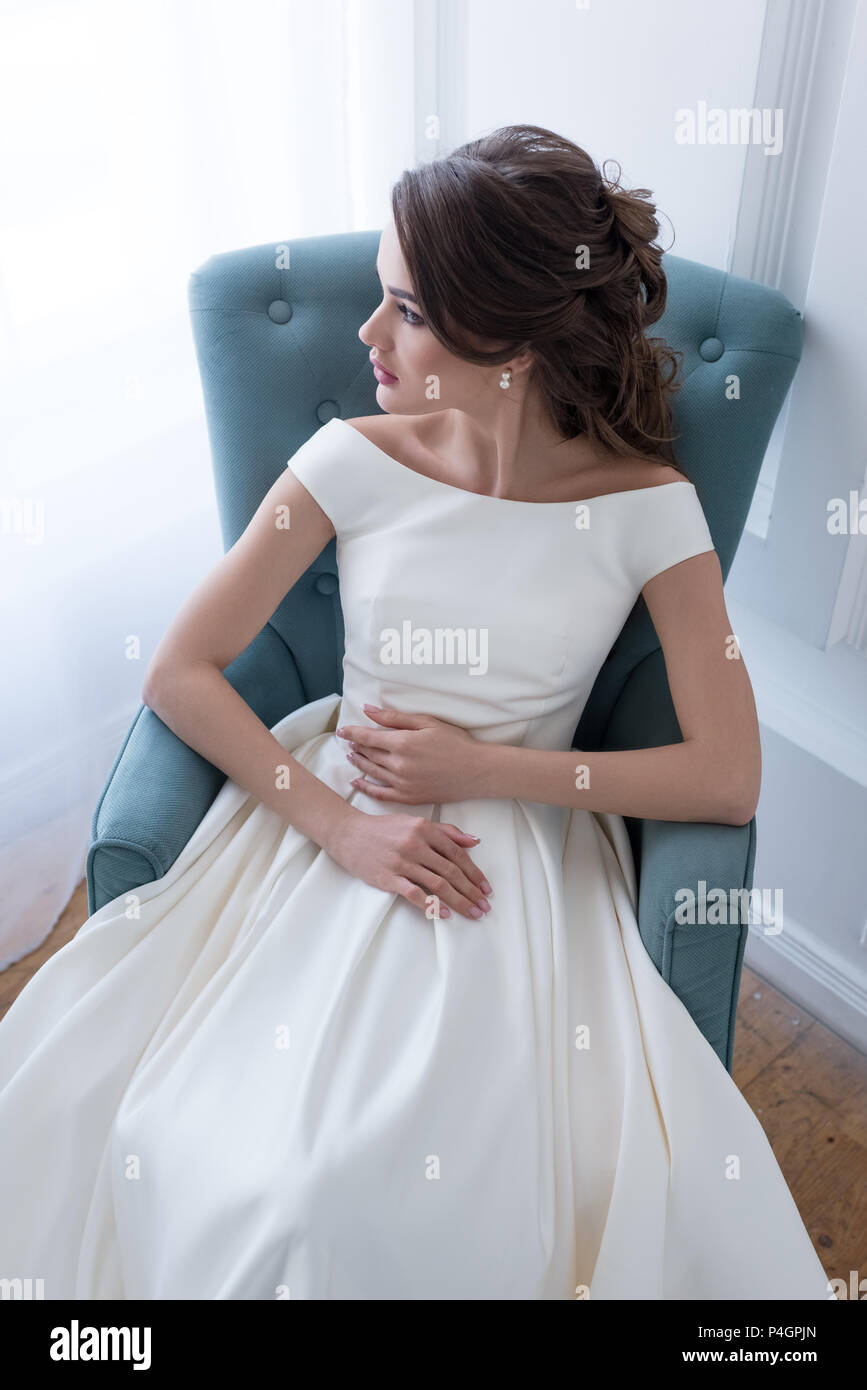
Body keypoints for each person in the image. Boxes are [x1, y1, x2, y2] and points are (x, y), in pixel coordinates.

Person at [0, 125, 831, 1300]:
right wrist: (338, 826)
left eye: (408, 311)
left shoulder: (649, 506)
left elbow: (727, 776)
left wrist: (489, 765)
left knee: (396, 1202)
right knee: (240, 1166)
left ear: (517, 340)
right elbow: (180, 670)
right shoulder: (349, 460)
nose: (367, 335)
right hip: (328, 823)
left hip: (522, 865)